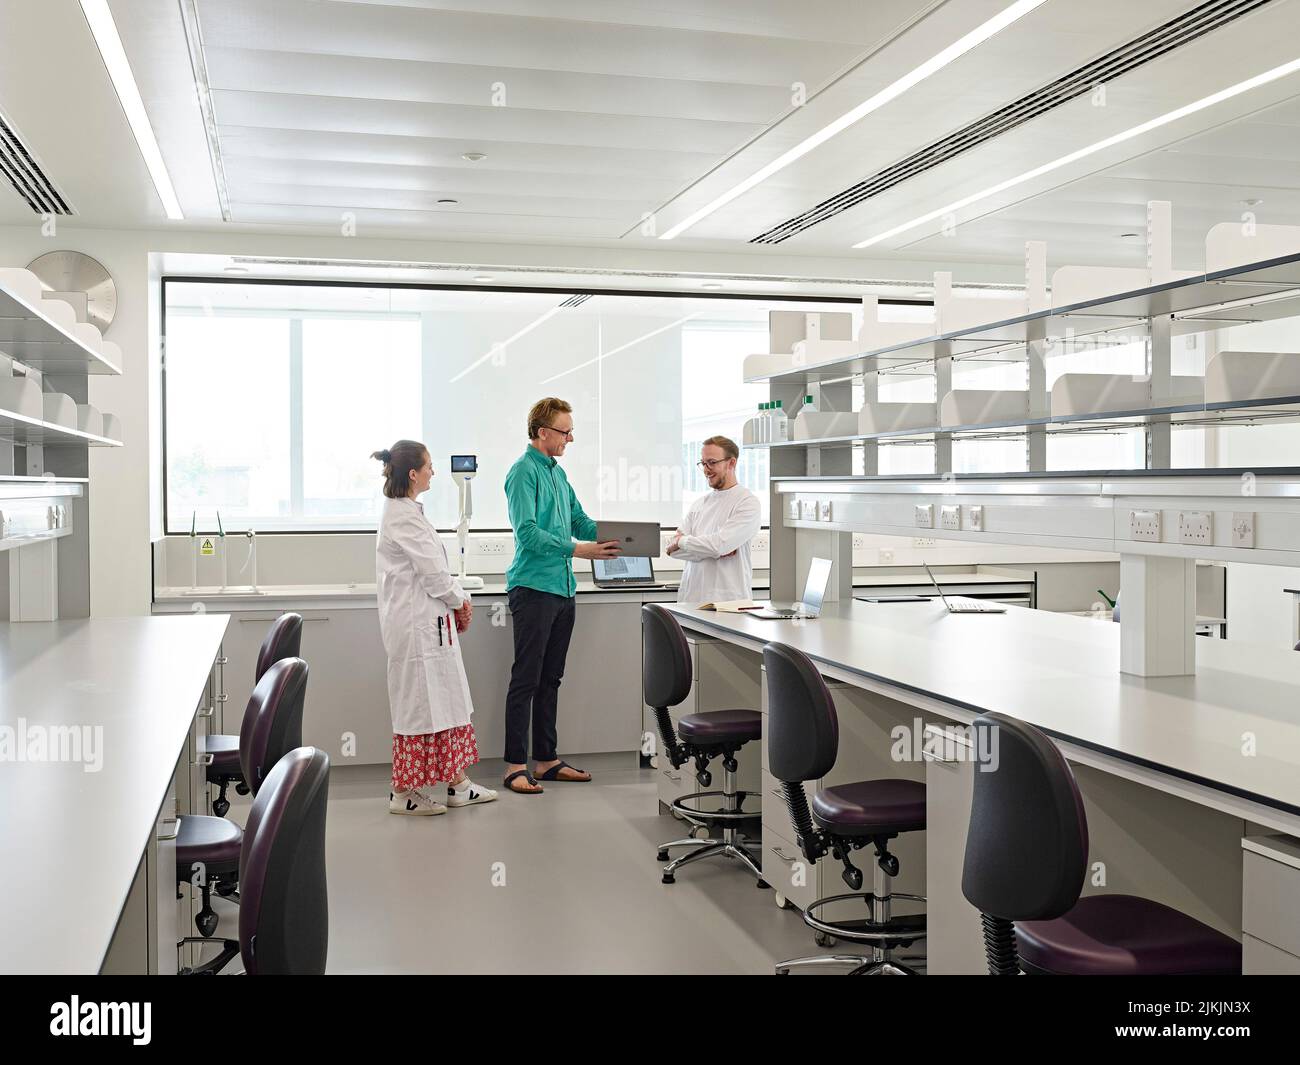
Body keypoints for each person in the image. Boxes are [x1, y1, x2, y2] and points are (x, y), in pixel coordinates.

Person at [501, 397, 620, 795]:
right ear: (542, 432)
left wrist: (615, 535)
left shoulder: (558, 474)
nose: (570, 437)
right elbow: (528, 534)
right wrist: (580, 550)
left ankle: (546, 760)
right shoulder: (522, 473)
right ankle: (515, 766)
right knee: (526, 679)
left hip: (563, 589)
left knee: (551, 679)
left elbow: (579, 521)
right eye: (565, 431)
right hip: (533, 588)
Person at [373, 440, 498, 815]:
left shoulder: (408, 510)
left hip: (428, 625)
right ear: (413, 473)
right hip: (415, 630)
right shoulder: (402, 515)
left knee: (445, 701)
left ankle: (458, 785)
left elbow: (433, 572)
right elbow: (434, 575)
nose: (433, 471)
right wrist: (461, 601)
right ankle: (403, 793)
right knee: (418, 706)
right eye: (429, 466)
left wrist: (455, 600)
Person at [668, 436, 761, 605]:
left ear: (731, 463)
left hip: (728, 603)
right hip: (691, 600)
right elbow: (672, 550)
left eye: (712, 462)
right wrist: (711, 550)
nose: (706, 469)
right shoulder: (699, 504)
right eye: (703, 463)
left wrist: (682, 541)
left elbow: (718, 545)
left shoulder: (747, 502)